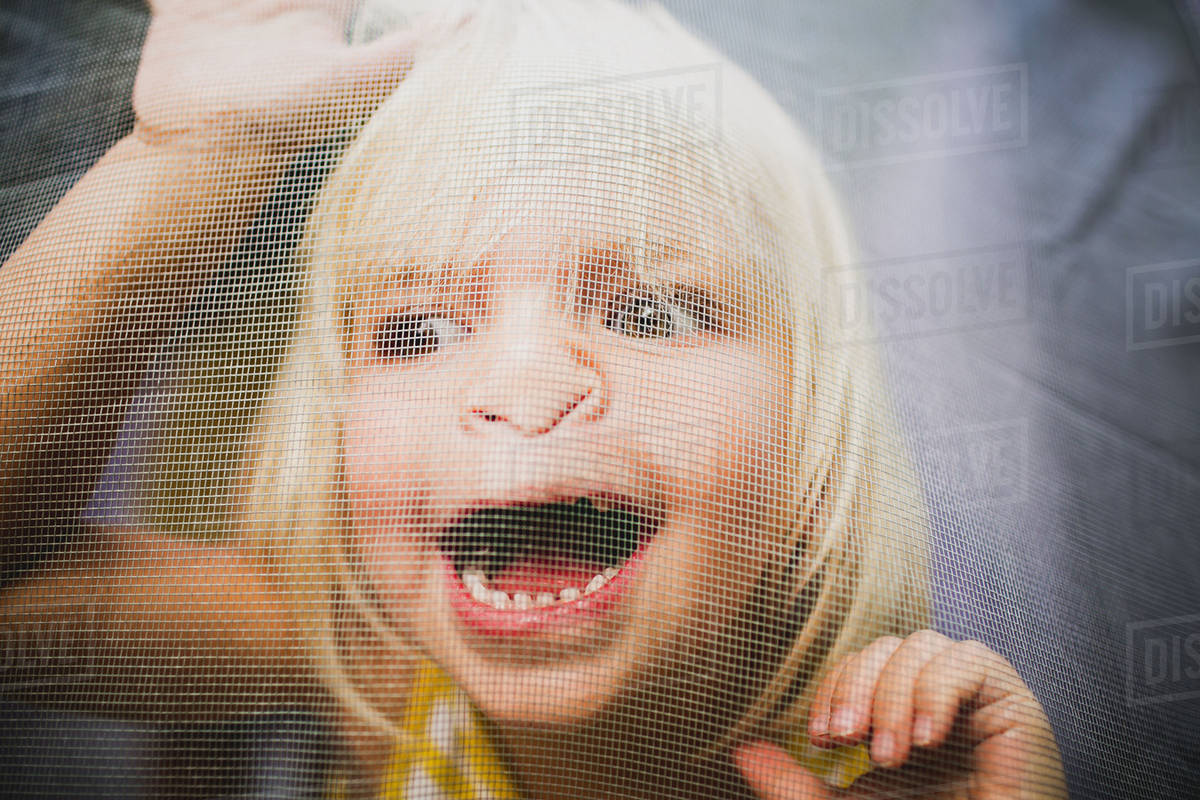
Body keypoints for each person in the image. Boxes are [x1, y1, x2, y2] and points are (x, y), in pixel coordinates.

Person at [0, 1, 1067, 798]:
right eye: (416, 332)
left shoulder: (896, 759)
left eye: (650, 312)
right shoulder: (388, 666)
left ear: (817, 421)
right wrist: (191, 153)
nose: (520, 389)